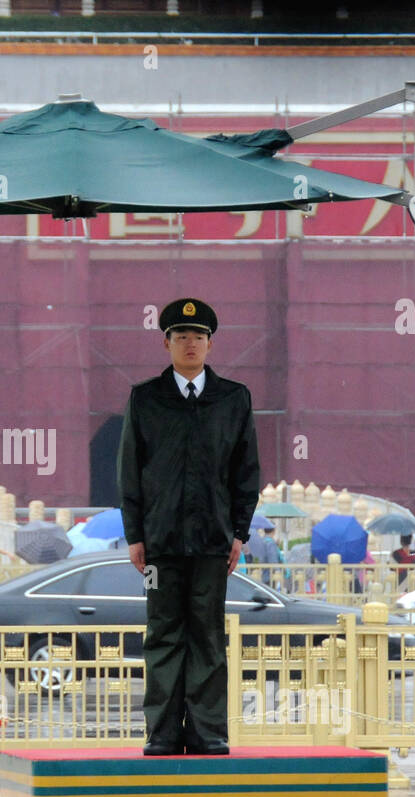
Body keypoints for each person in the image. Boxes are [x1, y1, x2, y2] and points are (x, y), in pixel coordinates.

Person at [118, 297, 261, 757]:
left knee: (207, 633)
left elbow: (246, 473)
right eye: (181, 336)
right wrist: (135, 534)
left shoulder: (233, 398)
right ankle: (161, 732)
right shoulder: (146, 398)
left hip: (212, 542)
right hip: (160, 541)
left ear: (210, 344)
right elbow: (130, 471)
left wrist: (239, 532)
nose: (190, 343)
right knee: (162, 634)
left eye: (198, 336)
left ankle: (207, 731)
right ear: (166, 343)